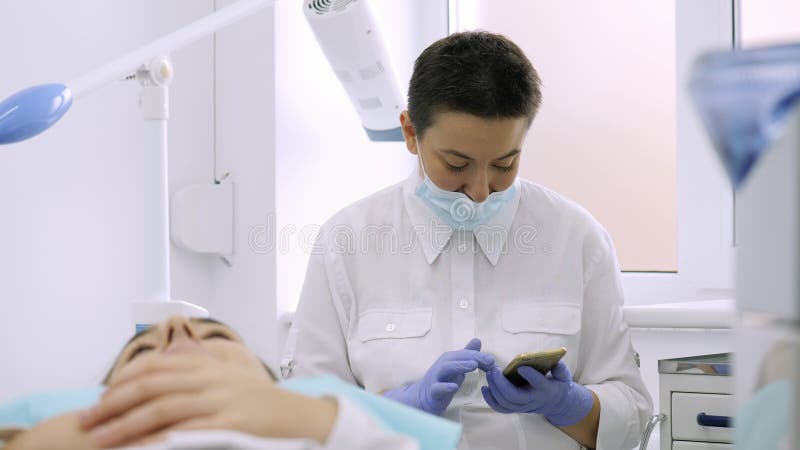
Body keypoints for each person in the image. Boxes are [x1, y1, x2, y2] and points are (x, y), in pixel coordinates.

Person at [284, 31, 653, 449]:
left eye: (504, 163)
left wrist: (568, 403)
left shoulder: (578, 238)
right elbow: (300, 423)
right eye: (457, 163)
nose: (480, 190)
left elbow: (634, 419)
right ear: (410, 133)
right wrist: (397, 409)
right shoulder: (346, 243)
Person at [2, 316, 443, 450]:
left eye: (216, 336)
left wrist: (315, 417)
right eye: (141, 351)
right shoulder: (54, 436)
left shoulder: (322, 430)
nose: (177, 328)